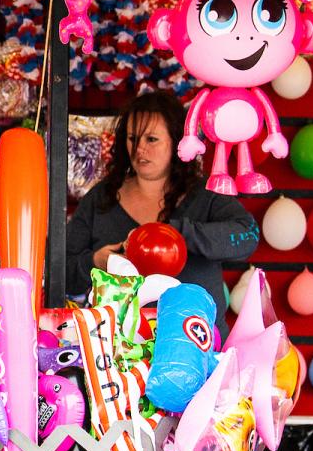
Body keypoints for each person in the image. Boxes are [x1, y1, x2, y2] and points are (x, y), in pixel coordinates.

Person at [65, 91, 260, 322]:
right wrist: (96, 262)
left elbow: (248, 235)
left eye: (151, 139)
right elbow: (62, 273)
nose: (139, 150)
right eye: (132, 138)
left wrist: (178, 235)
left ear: (176, 140)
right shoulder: (100, 199)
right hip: (122, 352)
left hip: (198, 348)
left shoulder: (206, 196)